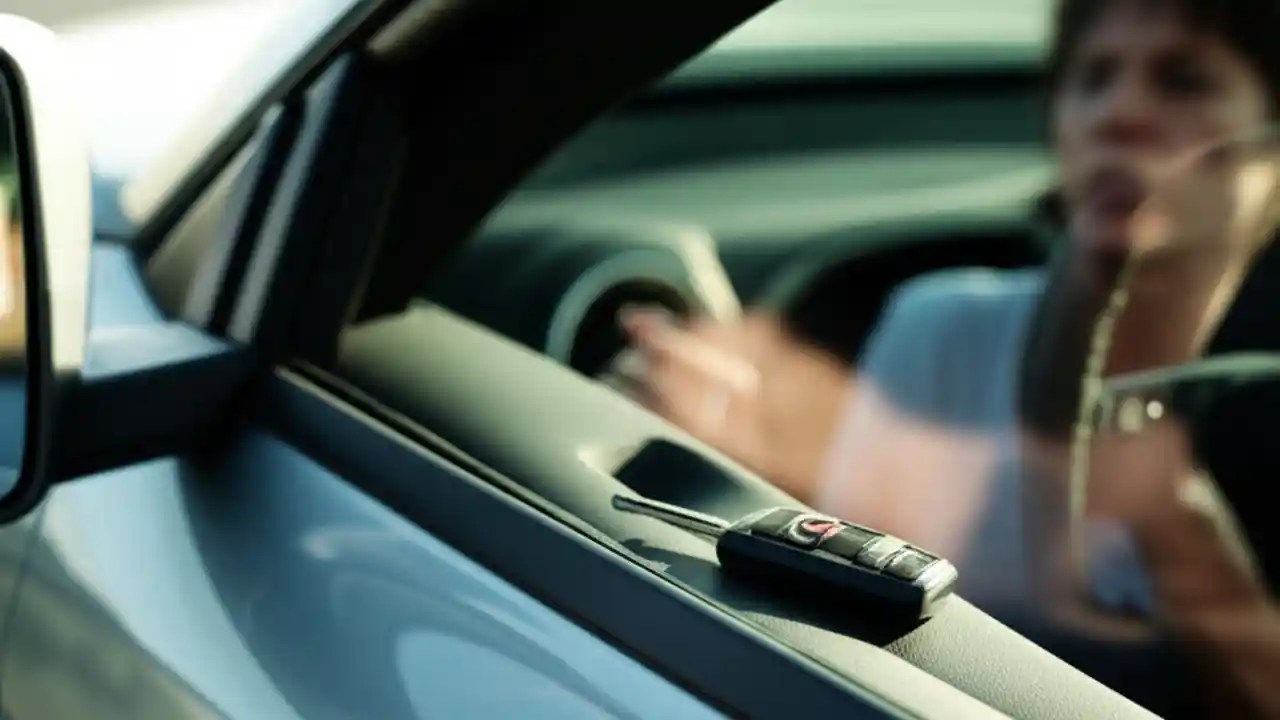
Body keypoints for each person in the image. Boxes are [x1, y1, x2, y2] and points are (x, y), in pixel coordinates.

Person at [615, 0, 1280, 714]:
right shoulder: (940, 326)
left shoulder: (1257, 400)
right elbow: (830, 630)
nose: (1119, 114)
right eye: (1092, 79)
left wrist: (1174, 532)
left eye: (1183, 81)